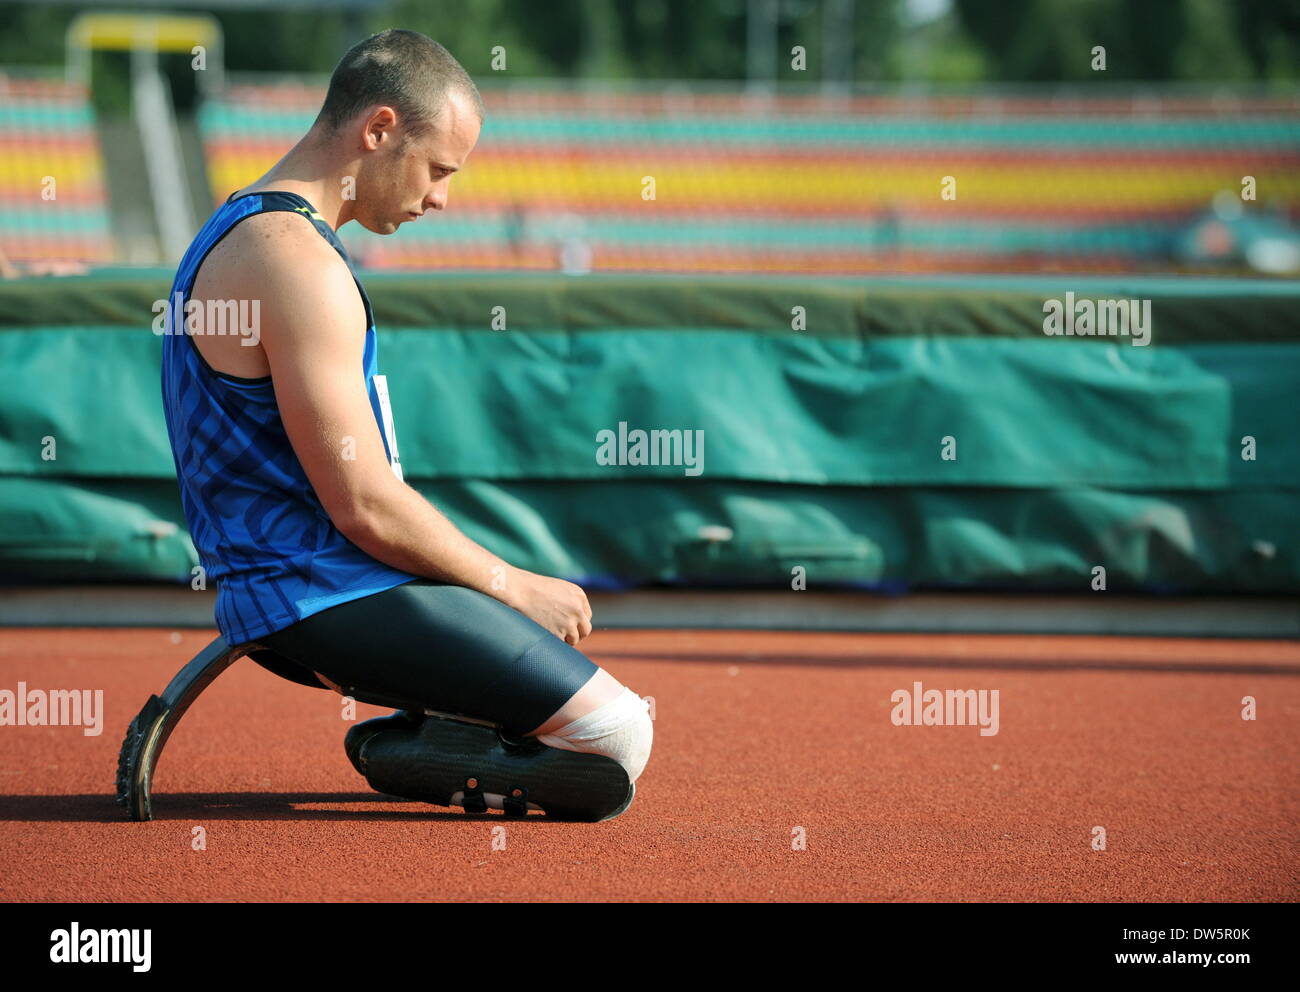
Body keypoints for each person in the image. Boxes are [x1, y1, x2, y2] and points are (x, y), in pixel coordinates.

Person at [159, 29, 651, 818]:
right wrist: (514, 586)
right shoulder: (292, 258)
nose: (440, 199)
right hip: (317, 592)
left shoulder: (250, 230)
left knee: (591, 712)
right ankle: (403, 744)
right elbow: (362, 502)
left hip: (311, 581)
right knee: (617, 733)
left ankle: (435, 728)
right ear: (379, 129)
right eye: (438, 169)